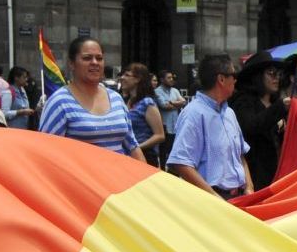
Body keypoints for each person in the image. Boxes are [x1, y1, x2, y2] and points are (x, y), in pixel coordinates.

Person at [37, 36, 139, 156]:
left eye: (99, 58)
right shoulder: (59, 102)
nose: (95, 62)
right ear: (71, 63)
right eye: (87, 58)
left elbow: (132, 146)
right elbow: (45, 152)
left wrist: (150, 174)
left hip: (120, 173)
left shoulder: (116, 98)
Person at [167, 54, 252, 199]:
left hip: (238, 197)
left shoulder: (229, 113)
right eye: (234, 75)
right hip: (210, 200)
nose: (236, 80)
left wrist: (249, 187)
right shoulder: (193, 113)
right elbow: (181, 163)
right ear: (221, 79)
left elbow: (240, 155)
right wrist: (213, 196)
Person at [229, 53, 285, 187]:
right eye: (271, 73)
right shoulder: (243, 100)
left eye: (278, 74)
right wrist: (279, 108)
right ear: (258, 76)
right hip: (254, 174)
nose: (276, 78)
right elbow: (251, 126)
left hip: (277, 173)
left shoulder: (275, 102)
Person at [122, 63, 167, 166]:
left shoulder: (147, 103)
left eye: (127, 75)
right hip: (127, 156)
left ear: (137, 79)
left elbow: (160, 135)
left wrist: (137, 148)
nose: (122, 78)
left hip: (145, 157)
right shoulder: (125, 101)